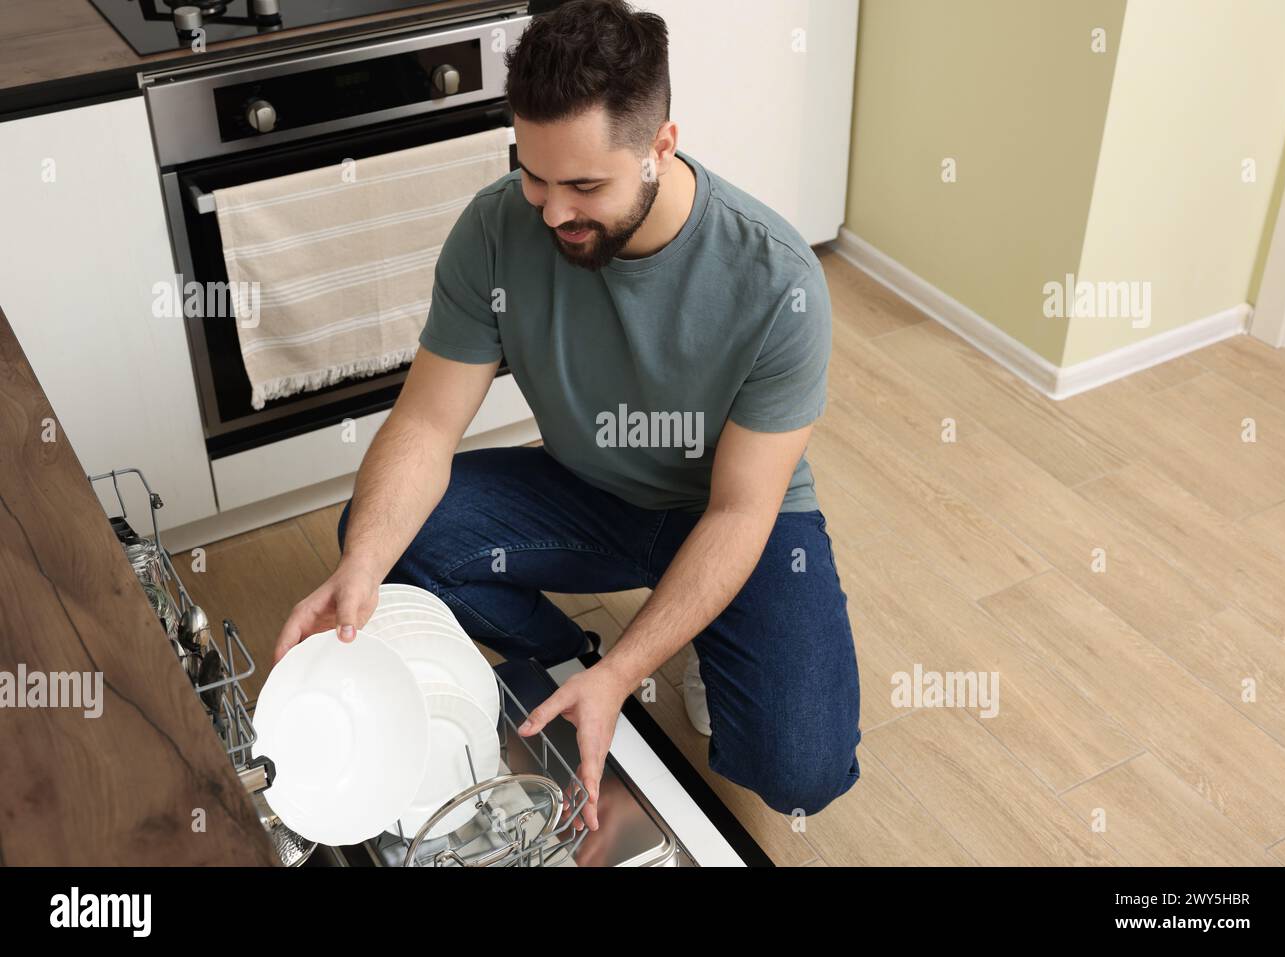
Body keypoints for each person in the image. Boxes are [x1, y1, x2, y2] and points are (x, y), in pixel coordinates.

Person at [274, 0, 861, 832]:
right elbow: (426, 425)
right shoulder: (494, 230)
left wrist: (634, 670)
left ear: (661, 146)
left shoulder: (775, 279)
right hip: (589, 492)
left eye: (585, 185)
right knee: (387, 539)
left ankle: (675, 642)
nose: (551, 212)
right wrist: (363, 563)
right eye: (534, 175)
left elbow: (741, 508)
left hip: (732, 512)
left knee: (801, 770)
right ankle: (568, 663)